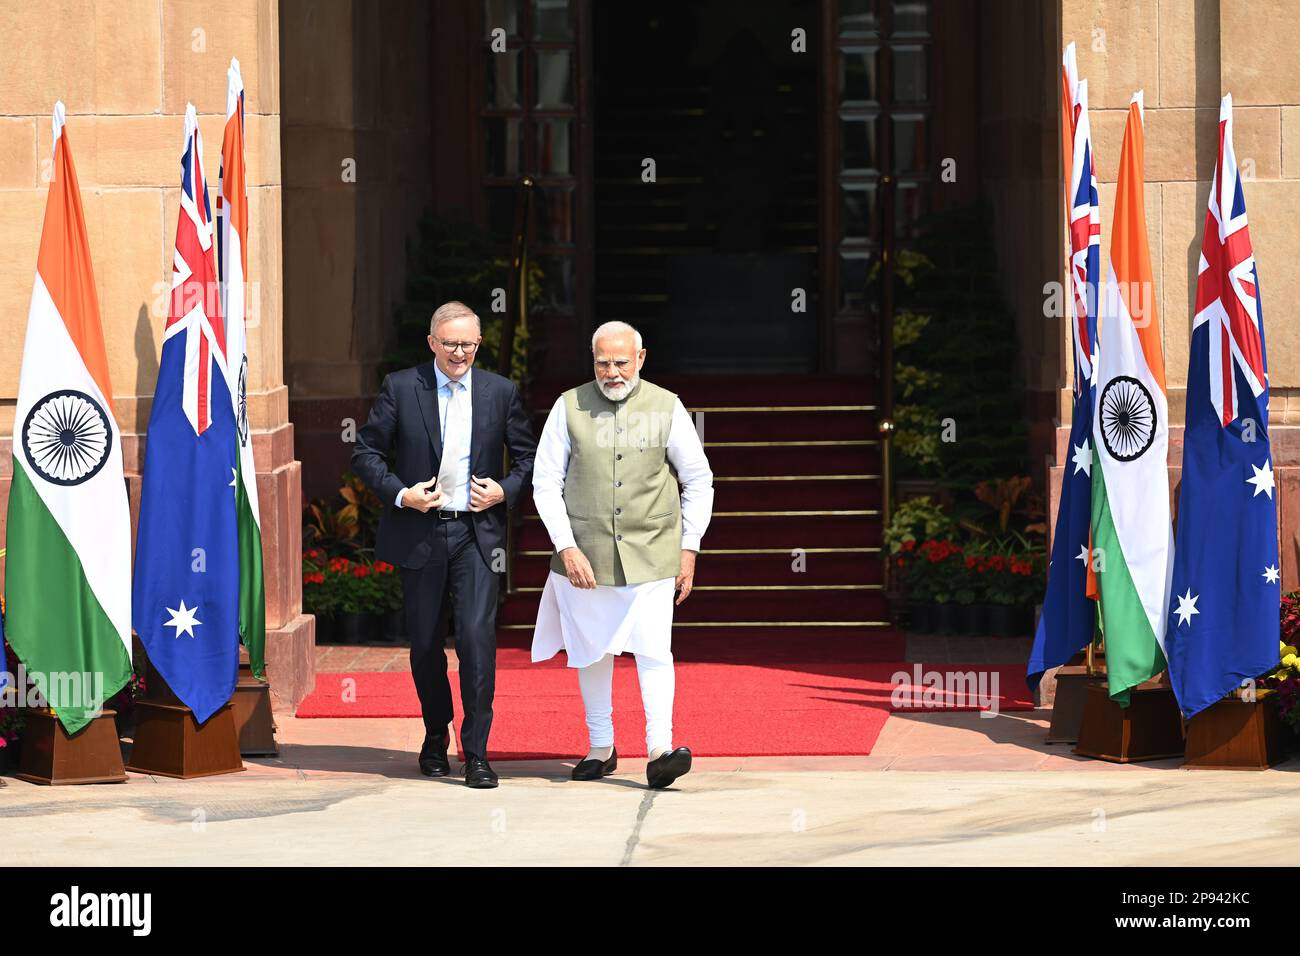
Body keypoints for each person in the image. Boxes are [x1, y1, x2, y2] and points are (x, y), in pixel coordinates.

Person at [352, 301, 536, 789]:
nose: (460, 352)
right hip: (422, 531)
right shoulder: (401, 386)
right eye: (451, 343)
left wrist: (504, 489)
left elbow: (528, 458)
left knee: (477, 640)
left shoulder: (500, 391)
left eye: (469, 344)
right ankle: (436, 735)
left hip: (478, 535)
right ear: (432, 342)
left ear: (479, 344)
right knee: (426, 644)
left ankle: (476, 752)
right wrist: (401, 494)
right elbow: (366, 451)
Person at [531, 320, 714, 789]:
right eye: (602, 363)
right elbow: (545, 481)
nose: (611, 372)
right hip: (585, 556)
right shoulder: (567, 405)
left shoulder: (666, 406)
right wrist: (566, 547)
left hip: (652, 552)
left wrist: (688, 547)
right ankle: (600, 746)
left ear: (641, 358)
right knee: (591, 651)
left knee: (654, 650)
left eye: (621, 362)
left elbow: (698, 479)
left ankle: (660, 750)